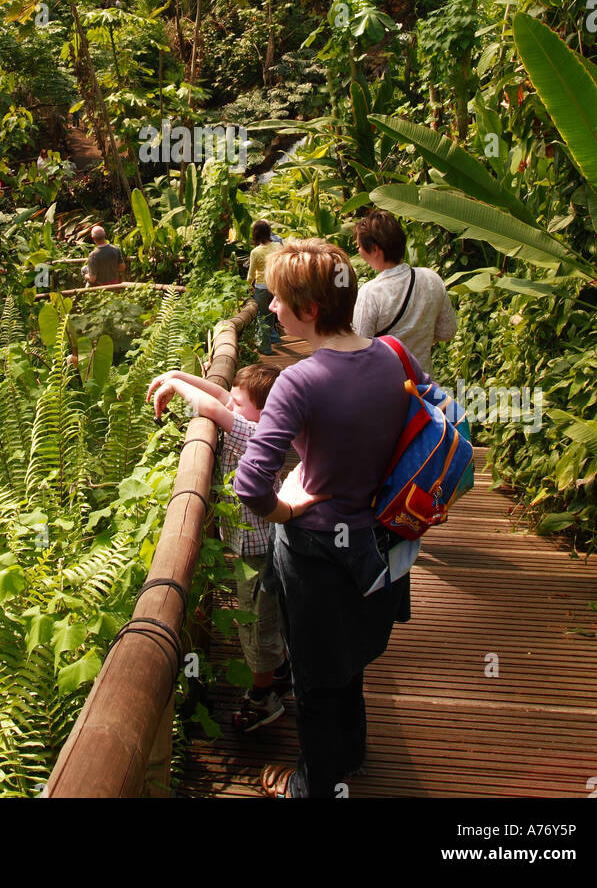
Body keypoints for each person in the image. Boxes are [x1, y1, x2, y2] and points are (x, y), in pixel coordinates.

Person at [233, 237, 432, 799]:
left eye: (277, 300)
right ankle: (353, 753)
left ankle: (312, 785)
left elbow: (250, 484)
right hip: (383, 539)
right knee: (355, 655)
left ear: (311, 309)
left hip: (318, 551)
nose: (270, 309)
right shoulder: (395, 354)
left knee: (317, 676)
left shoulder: (300, 381)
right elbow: (441, 419)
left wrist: (288, 506)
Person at [146, 362, 292, 732]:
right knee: (264, 617)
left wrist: (175, 389)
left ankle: (262, 699)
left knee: (256, 624)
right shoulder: (253, 419)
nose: (232, 407)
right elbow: (222, 397)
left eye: (240, 404)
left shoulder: (256, 431)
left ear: (262, 411)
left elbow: (212, 408)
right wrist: (176, 375)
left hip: (258, 553)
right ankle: (279, 671)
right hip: (257, 545)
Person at [352, 210, 457, 372]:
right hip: (423, 386)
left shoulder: (371, 293)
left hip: (388, 390)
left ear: (375, 249)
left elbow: (359, 351)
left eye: (359, 246)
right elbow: (447, 331)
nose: (358, 250)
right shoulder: (431, 279)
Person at [247, 220, 280, 354]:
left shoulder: (255, 252)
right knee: (271, 314)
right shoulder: (278, 246)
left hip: (262, 287)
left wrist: (247, 286)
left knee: (262, 316)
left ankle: (265, 347)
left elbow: (251, 274)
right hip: (276, 286)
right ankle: (274, 338)